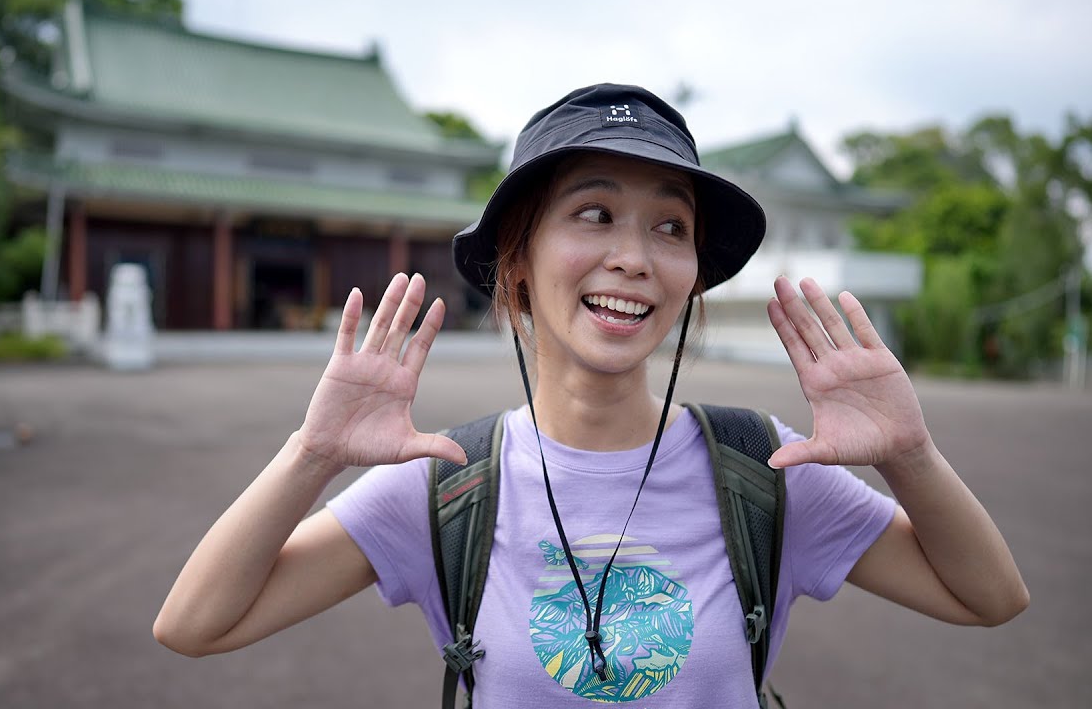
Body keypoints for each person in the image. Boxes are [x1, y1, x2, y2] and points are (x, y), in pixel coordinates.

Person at [153, 84, 1029, 707]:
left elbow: (989, 597)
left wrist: (910, 456)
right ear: (518, 262)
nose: (635, 258)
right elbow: (194, 625)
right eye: (595, 214)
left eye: (671, 226)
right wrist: (312, 455)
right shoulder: (449, 483)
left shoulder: (762, 467)